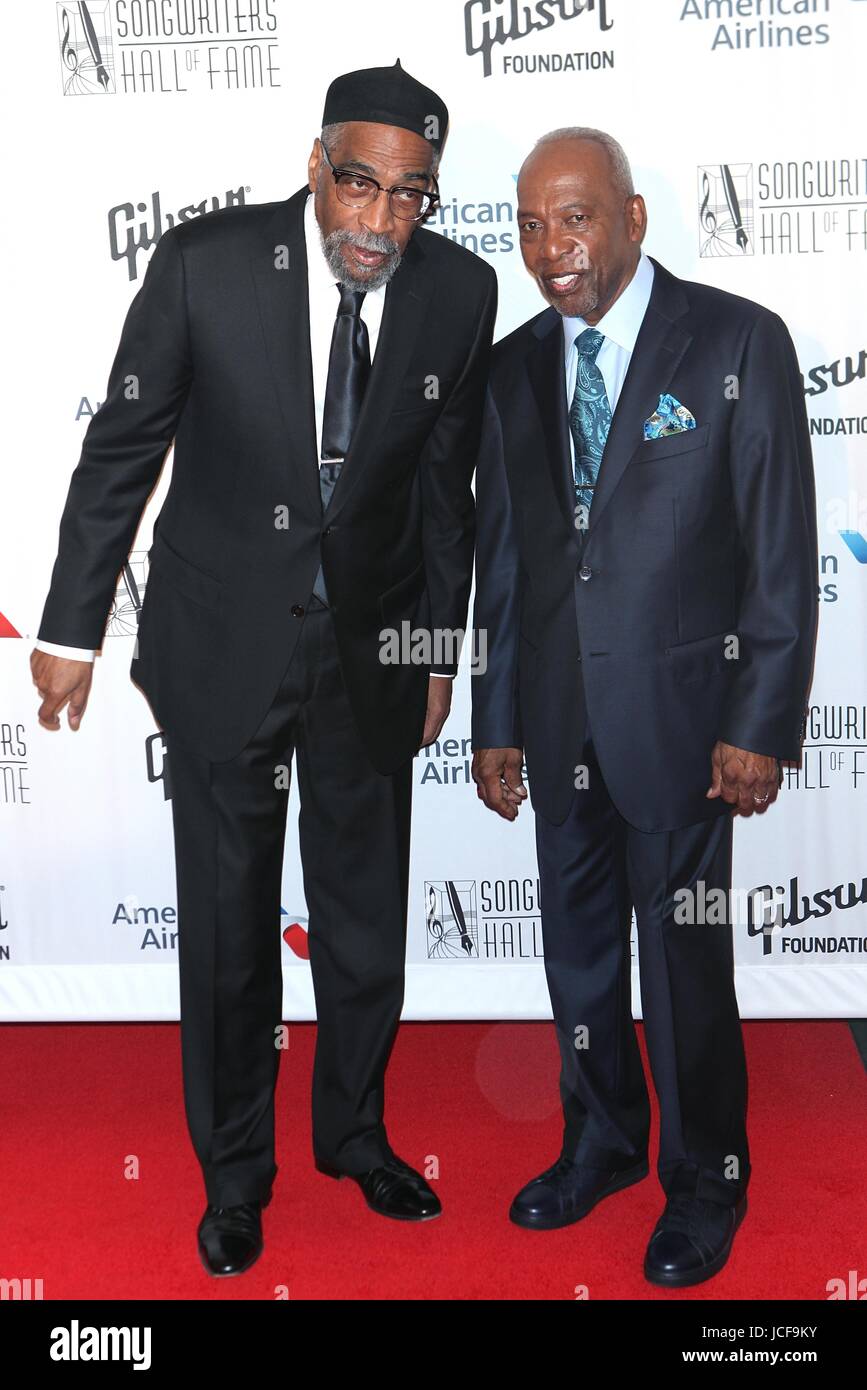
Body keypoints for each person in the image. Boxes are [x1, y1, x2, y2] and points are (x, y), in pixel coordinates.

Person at [32, 60, 497, 1277]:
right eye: (360, 184)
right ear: (316, 165)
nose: (380, 221)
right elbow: (121, 448)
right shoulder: (206, 264)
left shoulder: (460, 291)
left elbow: (448, 493)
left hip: (370, 657)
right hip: (222, 645)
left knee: (362, 925)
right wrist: (72, 629)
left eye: (411, 197)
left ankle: (353, 1135)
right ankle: (235, 1178)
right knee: (231, 932)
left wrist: (436, 644)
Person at [471, 127, 817, 1288]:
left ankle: (708, 1175)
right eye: (527, 224)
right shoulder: (517, 367)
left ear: (632, 217)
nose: (549, 247)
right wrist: (498, 717)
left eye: (572, 217)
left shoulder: (733, 340)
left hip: (685, 727)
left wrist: (760, 722)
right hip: (561, 729)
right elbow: (507, 561)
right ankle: (604, 1140)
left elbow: (778, 550)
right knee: (578, 968)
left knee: (682, 973)